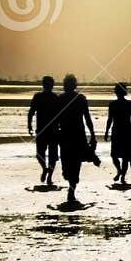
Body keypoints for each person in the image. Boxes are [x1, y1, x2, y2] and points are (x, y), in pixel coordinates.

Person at [53, 73, 98, 209]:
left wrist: (92, 134)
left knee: (69, 161)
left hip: (69, 134)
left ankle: (71, 190)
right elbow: (87, 118)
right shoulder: (78, 98)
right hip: (74, 134)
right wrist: (93, 134)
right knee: (74, 163)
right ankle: (71, 185)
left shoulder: (65, 99)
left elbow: (86, 117)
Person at [27, 74, 62, 185]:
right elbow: (31, 112)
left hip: (45, 130)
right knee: (50, 155)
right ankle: (48, 174)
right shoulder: (54, 97)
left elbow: (31, 112)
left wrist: (29, 125)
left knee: (42, 154)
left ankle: (47, 172)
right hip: (50, 130)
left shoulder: (41, 97)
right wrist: (29, 125)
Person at [105, 82, 131, 189]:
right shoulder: (128, 105)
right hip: (125, 131)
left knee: (116, 155)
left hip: (119, 131)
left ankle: (121, 173)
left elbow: (110, 120)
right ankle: (121, 174)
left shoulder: (114, 104)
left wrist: (106, 132)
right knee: (124, 157)